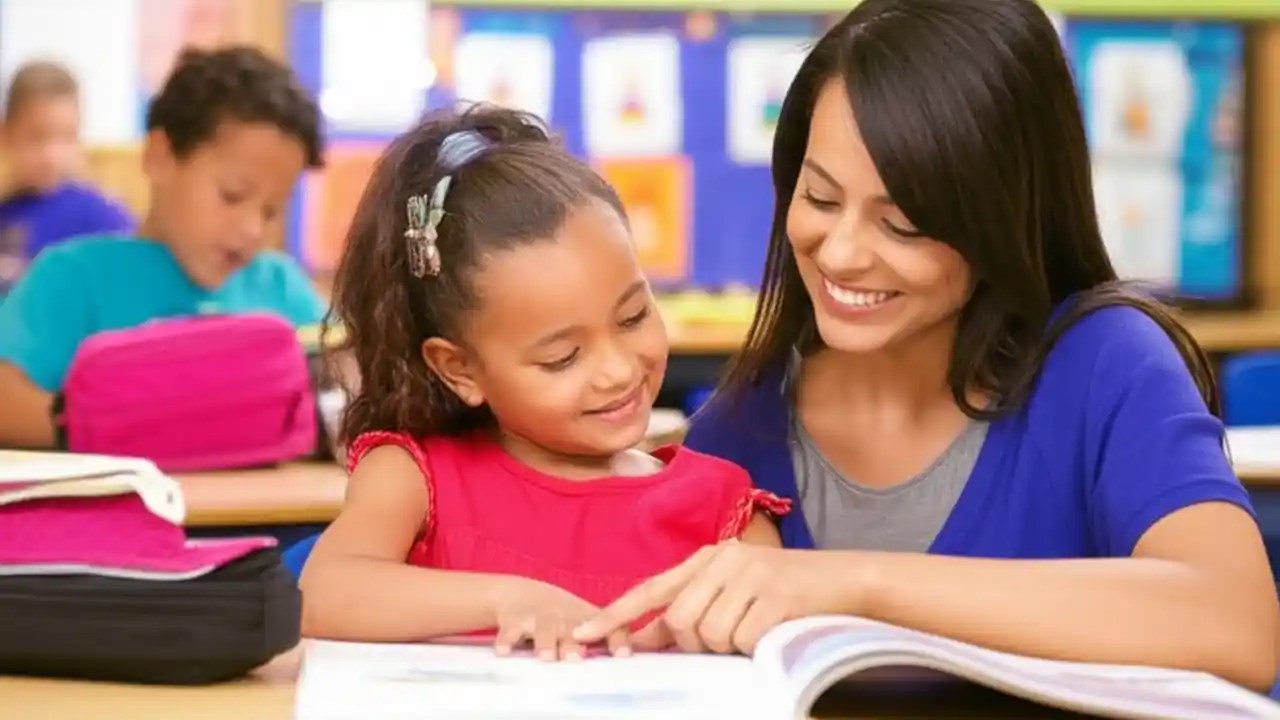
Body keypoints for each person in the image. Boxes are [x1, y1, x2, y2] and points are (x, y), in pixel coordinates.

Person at [573, 0, 1279, 692]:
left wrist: (855, 580)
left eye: (902, 225)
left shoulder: (1105, 364)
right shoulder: (744, 424)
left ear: (1005, 217)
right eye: (819, 199)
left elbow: (1237, 626)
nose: (842, 253)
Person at [298, 106, 788, 662]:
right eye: (562, 357)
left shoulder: (723, 509)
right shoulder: (416, 478)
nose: (618, 370)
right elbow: (321, 592)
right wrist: (508, 599)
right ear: (460, 369)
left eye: (632, 318)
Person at [0, 46, 327, 449]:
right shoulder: (72, 278)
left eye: (271, 210)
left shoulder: (281, 288)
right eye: (232, 195)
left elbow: (351, 383)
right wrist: (118, 427)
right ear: (160, 157)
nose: (252, 229)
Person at [0, 61, 134, 294]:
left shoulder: (102, 216)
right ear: (6, 134)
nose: (52, 155)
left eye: (66, 136)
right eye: (37, 136)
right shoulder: (6, 212)